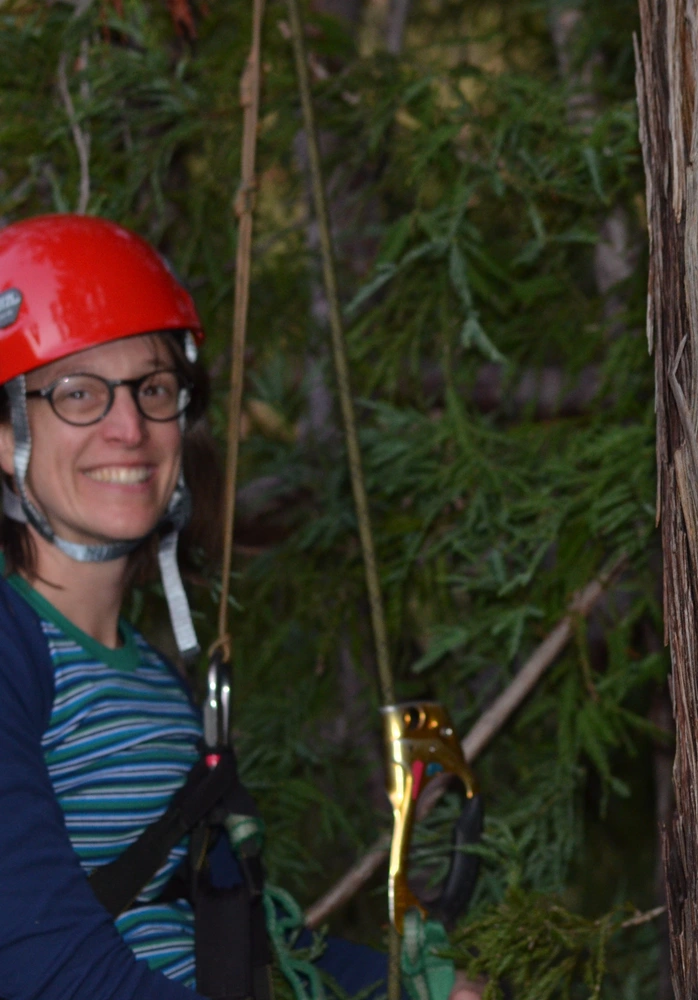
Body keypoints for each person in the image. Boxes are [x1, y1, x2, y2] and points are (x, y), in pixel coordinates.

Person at [0, 214, 480, 1000]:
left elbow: (232, 924)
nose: (129, 428)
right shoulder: (11, 648)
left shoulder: (153, 677)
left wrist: (410, 987)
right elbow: (42, 968)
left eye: (153, 389)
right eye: (78, 392)